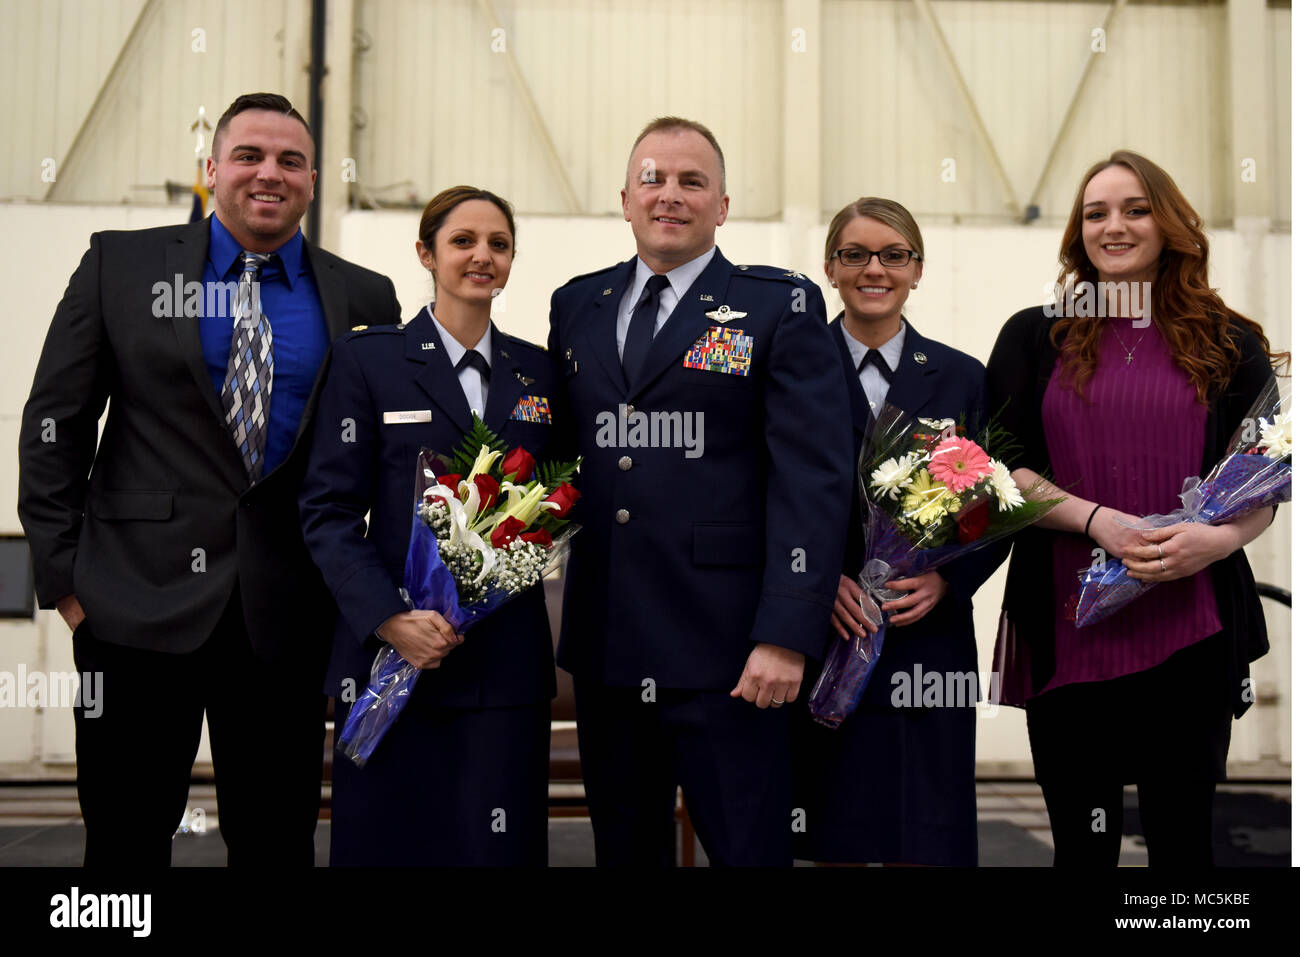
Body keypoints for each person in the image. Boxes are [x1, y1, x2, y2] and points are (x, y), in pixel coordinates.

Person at [17, 92, 401, 866]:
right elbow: (54, 423)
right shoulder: (120, 266)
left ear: (314, 179)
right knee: (124, 837)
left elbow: (365, 459)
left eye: (290, 160)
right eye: (250, 156)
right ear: (213, 169)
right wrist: (65, 579)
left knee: (275, 839)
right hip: (130, 605)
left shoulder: (362, 295)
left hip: (285, 616)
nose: (270, 173)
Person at [547, 116, 853, 866]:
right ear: (625, 199)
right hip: (610, 644)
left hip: (731, 651)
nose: (669, 195)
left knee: (748, 851)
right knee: (625, 852)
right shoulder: (575, 305)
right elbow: (565, 462)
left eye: (692, 181)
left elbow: (812, 477)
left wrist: (786, 631)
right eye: (653, 179)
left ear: (723, 205)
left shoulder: (778, 307)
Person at [986, 150, 1286, 867]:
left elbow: (1265, 483)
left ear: (1171, 223)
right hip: (1068, 622)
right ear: (1077, 231)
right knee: (1082, 847)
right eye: (1096, 213)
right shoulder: (1036, 334)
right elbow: (1000, 468)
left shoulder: (1230, 341)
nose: (1113, 225)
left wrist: (1214, 544)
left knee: (1182, 843)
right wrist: (1097, 521)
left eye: (1135, 208)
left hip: (1192, 625)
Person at [299, 186, 561, 866]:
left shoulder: (539, 371)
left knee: (497, 852)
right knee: (387, 850)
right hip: (390, 662)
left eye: (498, 244)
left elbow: (560, 500)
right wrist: (389, 617)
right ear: (426, 253)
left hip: (504, 670)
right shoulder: (368, 360)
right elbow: (327, 511)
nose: (483, 256)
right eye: (463, 241)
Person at [791, 198, 1005, 867]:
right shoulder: (791, 369)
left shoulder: (964, 376)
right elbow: (763, 497)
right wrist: (815, 583)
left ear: (917, 269)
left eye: (893, 254)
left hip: (926, 638)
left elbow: (998, 505)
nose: (874, 268)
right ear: (830, 267)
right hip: (823, 634)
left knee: (927, 831)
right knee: (834, 827)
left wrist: (949, 578)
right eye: (855, 254)